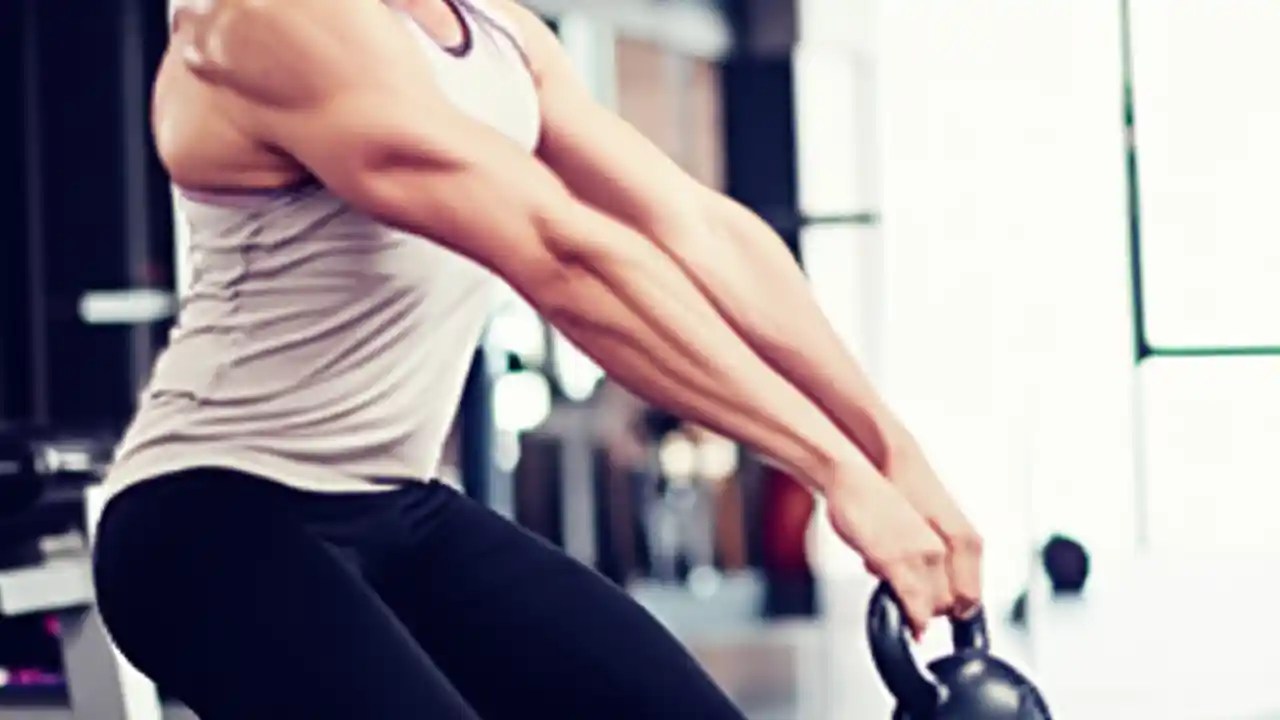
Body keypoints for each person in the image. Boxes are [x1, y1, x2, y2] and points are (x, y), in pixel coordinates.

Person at [91, 0, 984, 717]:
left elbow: (702, 229)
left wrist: (888, 453)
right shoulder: (271, 19)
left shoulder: (498, 34)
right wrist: (829, 466)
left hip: (398, 506)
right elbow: (562, 260)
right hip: (212, 517)